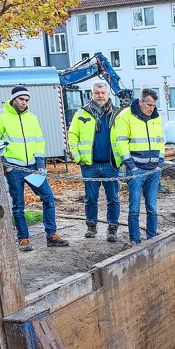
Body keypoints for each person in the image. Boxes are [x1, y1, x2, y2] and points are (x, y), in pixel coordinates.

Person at [0, 85, 69, 251]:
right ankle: (23, 239)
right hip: (13, 168)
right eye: (21, 99)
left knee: (48, 198)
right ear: (13, 99)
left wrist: (40, 163)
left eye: (26, 100)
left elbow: (39, 141)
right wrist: (5, 165)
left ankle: (51, 235)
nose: (24, 103)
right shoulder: (0, 117)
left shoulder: (32, 118)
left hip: (33, 166)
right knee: (18, 205)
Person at [68, 80, 122, 242]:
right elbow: (72, 136)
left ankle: (112, 228)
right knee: (90, 197)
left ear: (108, 94)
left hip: (111, 164)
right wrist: (78, 158)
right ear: (92, 94)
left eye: (103, 93)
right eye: (97, 93)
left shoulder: (118, 114)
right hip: (89, 165)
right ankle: (91, 226)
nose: (100, 96)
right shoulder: (81, 114)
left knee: (113, 198)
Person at [114, 88, 165, 244]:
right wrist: (131, 166)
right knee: (134, 208)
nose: (152, 108)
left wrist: (159, 164)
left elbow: (160, 141)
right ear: (141, 101)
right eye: (149, 104)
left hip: (153, 170)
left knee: (152, 207)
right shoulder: (126, 116)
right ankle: (135, 240)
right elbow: (121, 142)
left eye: (154, 105)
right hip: (136, 169)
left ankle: (152, 237)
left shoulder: (156, 118)